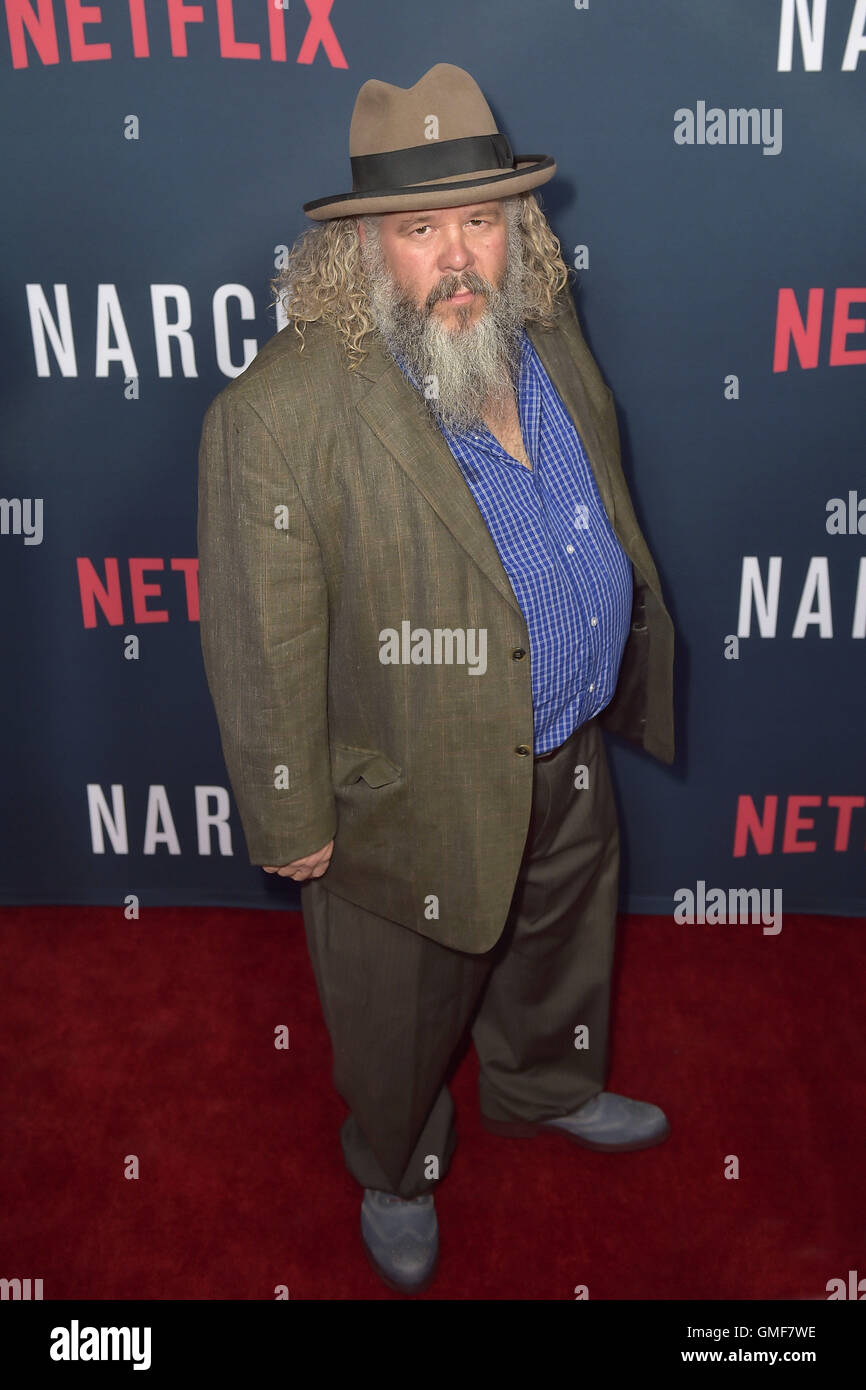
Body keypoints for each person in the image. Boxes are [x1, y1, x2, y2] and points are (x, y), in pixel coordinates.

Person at [197, 63, 675, 1297]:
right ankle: (395, 1163)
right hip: (404, 791)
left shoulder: (544, 325)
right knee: (399, 1008)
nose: (459, 255)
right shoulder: (279, 412)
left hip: (566, 742)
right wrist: (291, 812)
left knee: (559, 942)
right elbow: (263, 637)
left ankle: (544, 1084)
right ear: (361, 252)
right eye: (420, 229)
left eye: (482, 220)